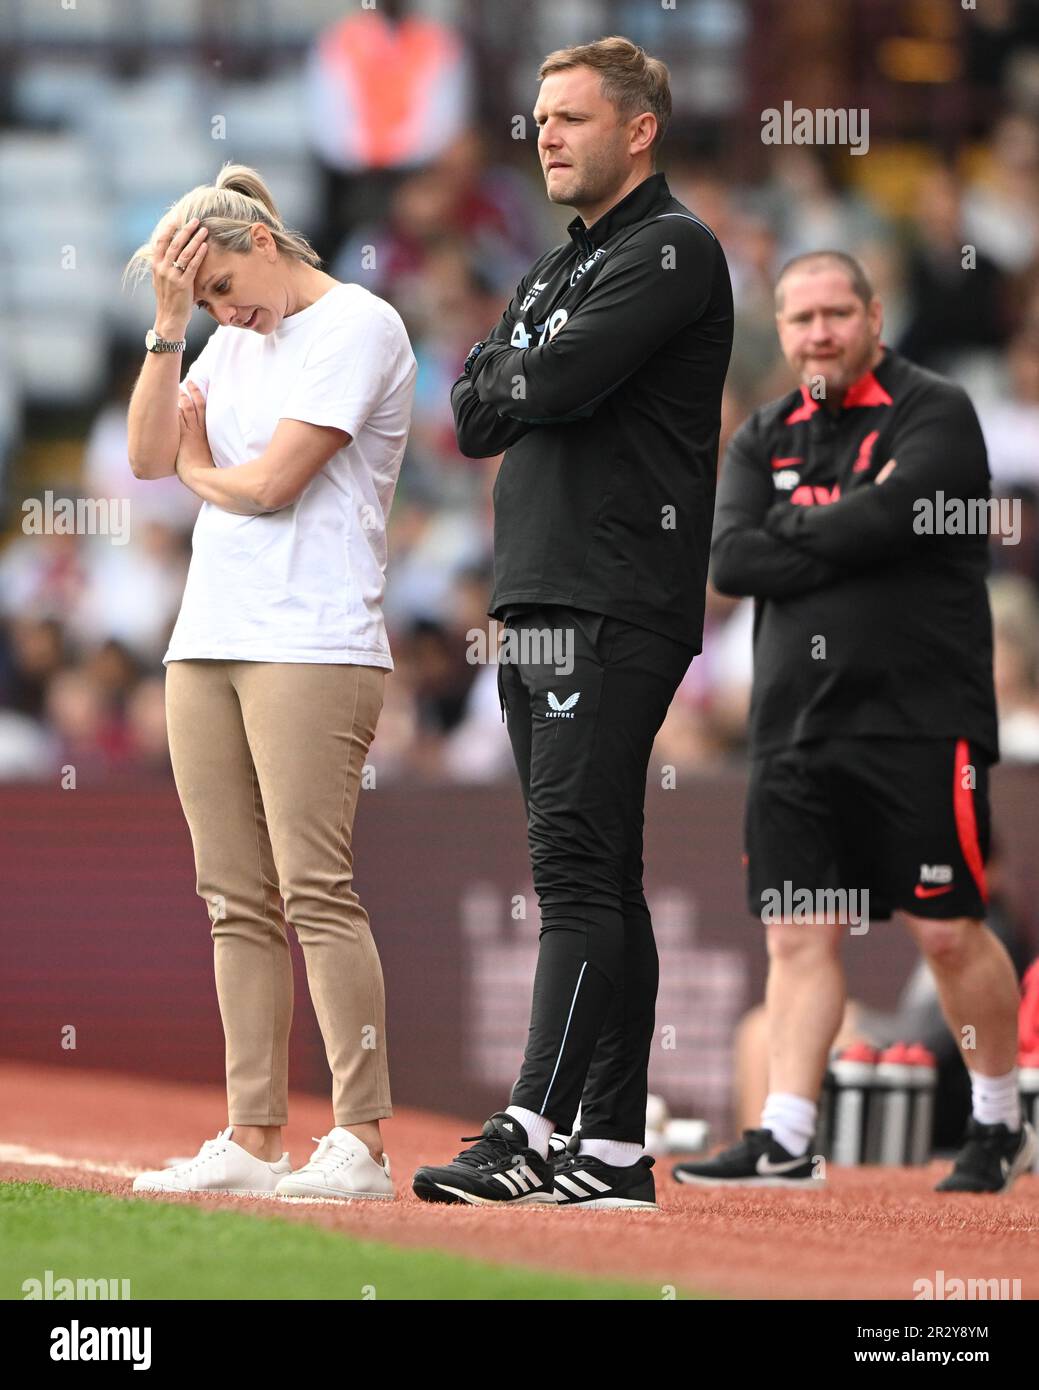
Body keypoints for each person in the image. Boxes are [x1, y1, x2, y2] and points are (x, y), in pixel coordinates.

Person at [412, 37, 733, 1209]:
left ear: (639, 129)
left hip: (612, 593)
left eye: (570, 117)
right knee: (602, 872)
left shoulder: (673, 250)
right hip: (540, 593)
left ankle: (529, 1127)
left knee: (574, 871)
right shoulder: (555, 270)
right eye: (538, 117)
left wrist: (518, 374)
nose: (543, 135)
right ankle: (607, 1149)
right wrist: (516, 373)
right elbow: (468, 409)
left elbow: (539, 386)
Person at [673, 250, 1037, 1194]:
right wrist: (845, 530)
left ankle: (998, 1121)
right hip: (794, 728)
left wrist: (798, 534)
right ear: (783, 332)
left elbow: (901, 517)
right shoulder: (761, 434)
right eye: (800, 319)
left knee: (947, 929)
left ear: (875, 318)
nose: (819, 333)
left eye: (837, 313)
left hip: (921, 721)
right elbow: (733, 563)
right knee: (797, 934)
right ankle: (787, 1137)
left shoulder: (933, 409)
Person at [121, 162, 416, 1201]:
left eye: (213, 291)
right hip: (209, 635)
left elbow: (270, 484)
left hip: (315, 637)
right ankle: (253, 1133)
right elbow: (148, 453)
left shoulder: (360, 325)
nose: (219, 314)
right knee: (233, 899)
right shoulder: (231, 339)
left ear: (258, 244)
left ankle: (363, 1138)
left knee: (315, 888)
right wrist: (168, 330)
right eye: (200, 304)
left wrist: (204, 473)